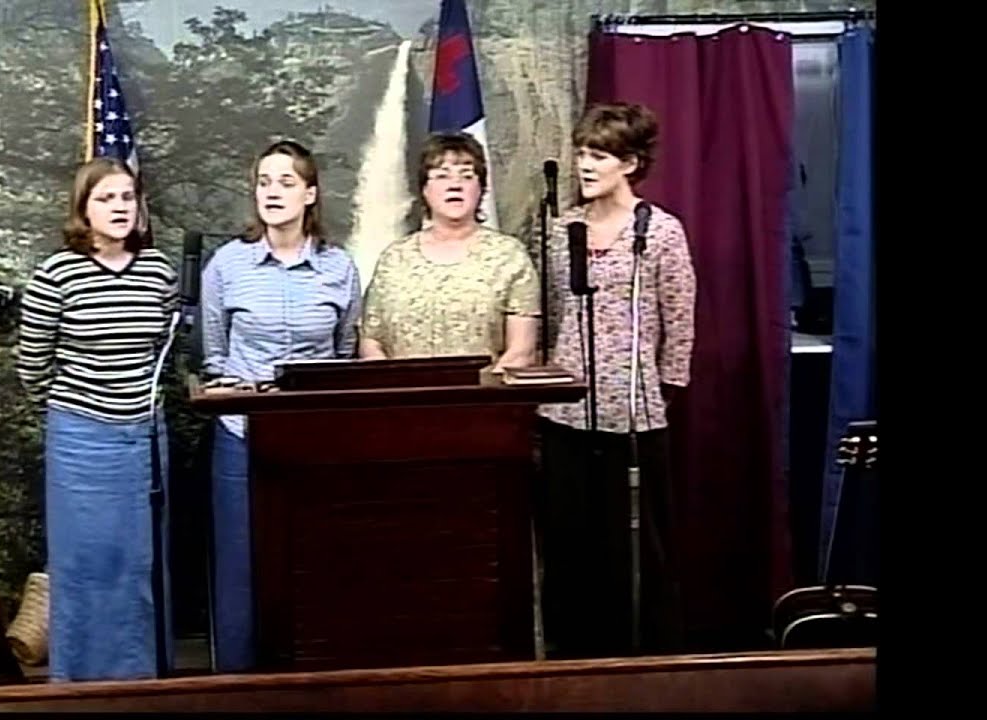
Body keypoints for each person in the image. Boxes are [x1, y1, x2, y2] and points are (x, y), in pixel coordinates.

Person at [537, 102, 697, 658]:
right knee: (569, 542)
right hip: (564, 412)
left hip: (633, 412)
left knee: (635, 543)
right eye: (582, 153)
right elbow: (553, 314)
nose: (585, 165)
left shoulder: (660, 231)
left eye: (599, 155)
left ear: (629, 163)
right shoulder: (562, 230)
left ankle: (643, 655)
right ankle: (571, 656)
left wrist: (663, 390)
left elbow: (679, 319)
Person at [200, 139, 362, 672]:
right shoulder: (227, 265)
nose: (272, 192)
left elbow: (344, 350)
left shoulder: (338, 267)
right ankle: (238, 682)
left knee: (316, 556)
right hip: (241, 435)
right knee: (240, 562)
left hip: (316, 438)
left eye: (286, 182)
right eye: (264, 182)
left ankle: (317, 674)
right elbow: (215, 353)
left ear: (310, 194)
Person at [16, 156, 179, 681]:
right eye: (106, 198)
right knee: (85, 564)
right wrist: (80, 406)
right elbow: (32, 366)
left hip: (143, 438)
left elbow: (165, 350)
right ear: (83, 209)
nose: (119, 207)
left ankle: (139, 683)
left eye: (127, 197)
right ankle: (80, 685)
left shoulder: (158, 271)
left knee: (137, 563)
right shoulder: (56, 274)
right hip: (80, 441)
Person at [360, 132, 539, 369]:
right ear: (424, 190)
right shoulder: (394, 259)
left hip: (486, 391)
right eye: (442, 176)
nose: (455, 185)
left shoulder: (509, 256)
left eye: (467, 176)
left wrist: (483, 388)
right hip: (402, 391)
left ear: (481, 189)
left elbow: (522, 351)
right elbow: (371, 341)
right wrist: (393, 385)